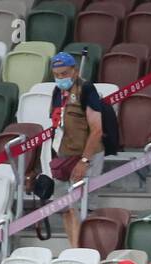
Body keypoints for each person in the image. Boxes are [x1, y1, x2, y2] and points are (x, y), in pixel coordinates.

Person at [48, 51, 106, 249]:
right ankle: (73, 248)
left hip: (86, 155)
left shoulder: (87, 90)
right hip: (63, 155)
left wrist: (84, 161)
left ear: (74, 70)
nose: (60, 78)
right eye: (56, 74)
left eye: (64, 73)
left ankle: (85, 249)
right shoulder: (57, 92)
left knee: (82, 206)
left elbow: (97, 129)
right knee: (65, 207)